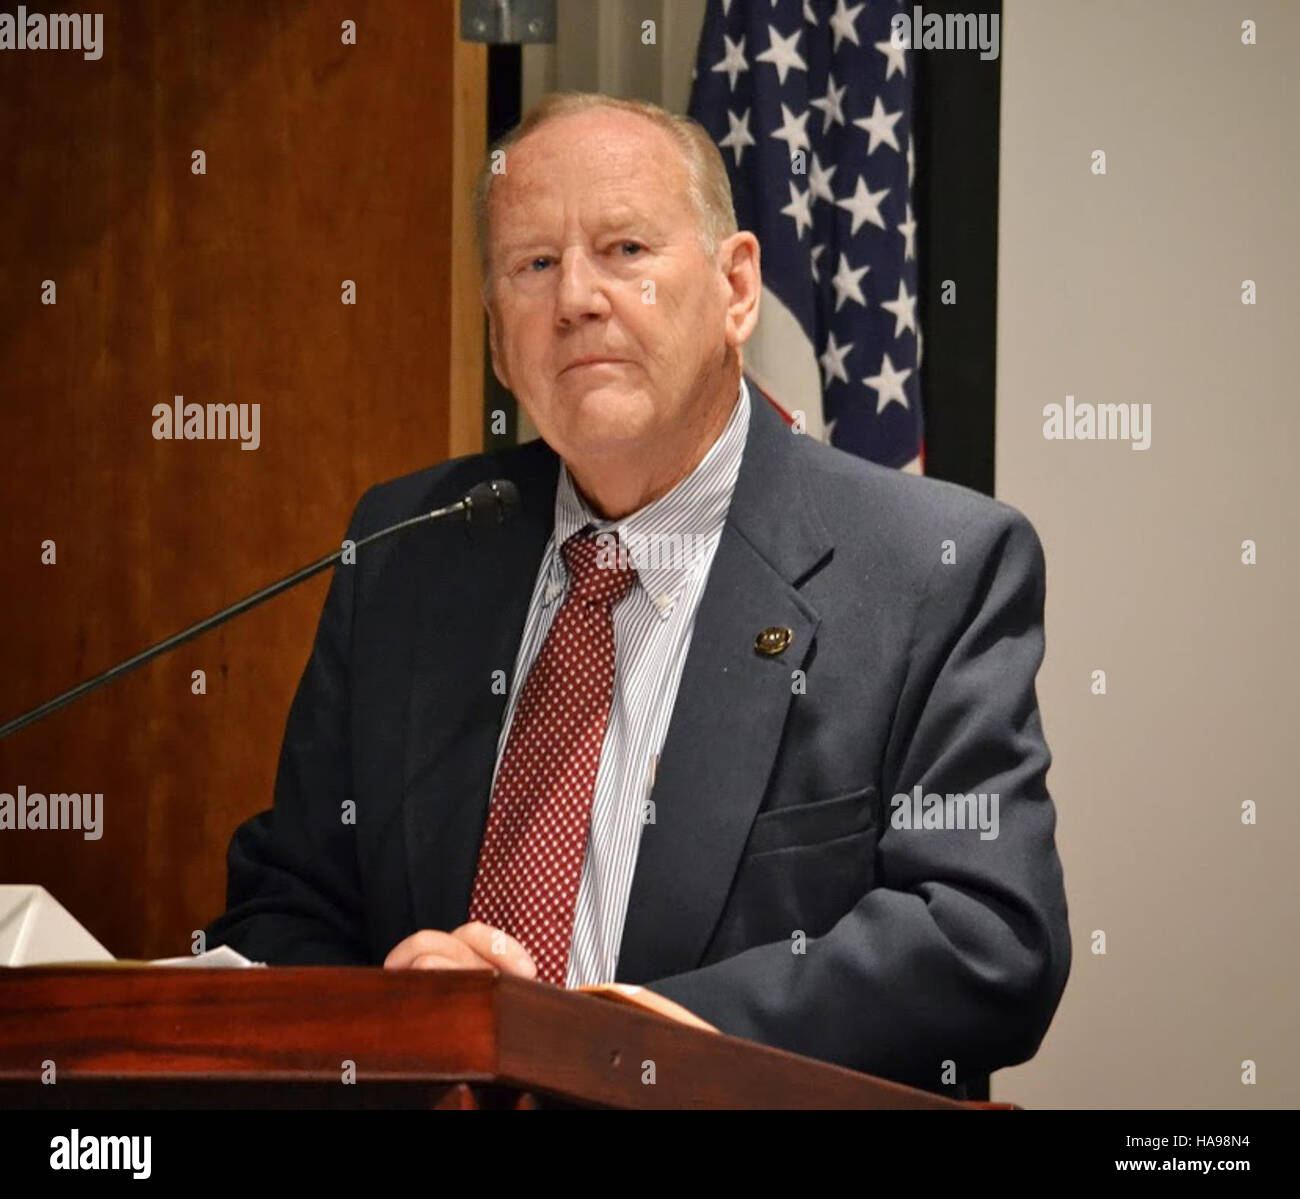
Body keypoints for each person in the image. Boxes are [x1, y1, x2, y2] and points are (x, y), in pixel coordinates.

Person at [208, 92, 1070, 1100]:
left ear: (737, 286)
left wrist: (645, 1040)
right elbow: (282, 908)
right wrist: (400, 1008)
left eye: (623, 248)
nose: (574, 296)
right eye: (533, 264)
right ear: (497, 339)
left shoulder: (929, 564)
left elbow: (985, 936)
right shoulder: (406, 549)